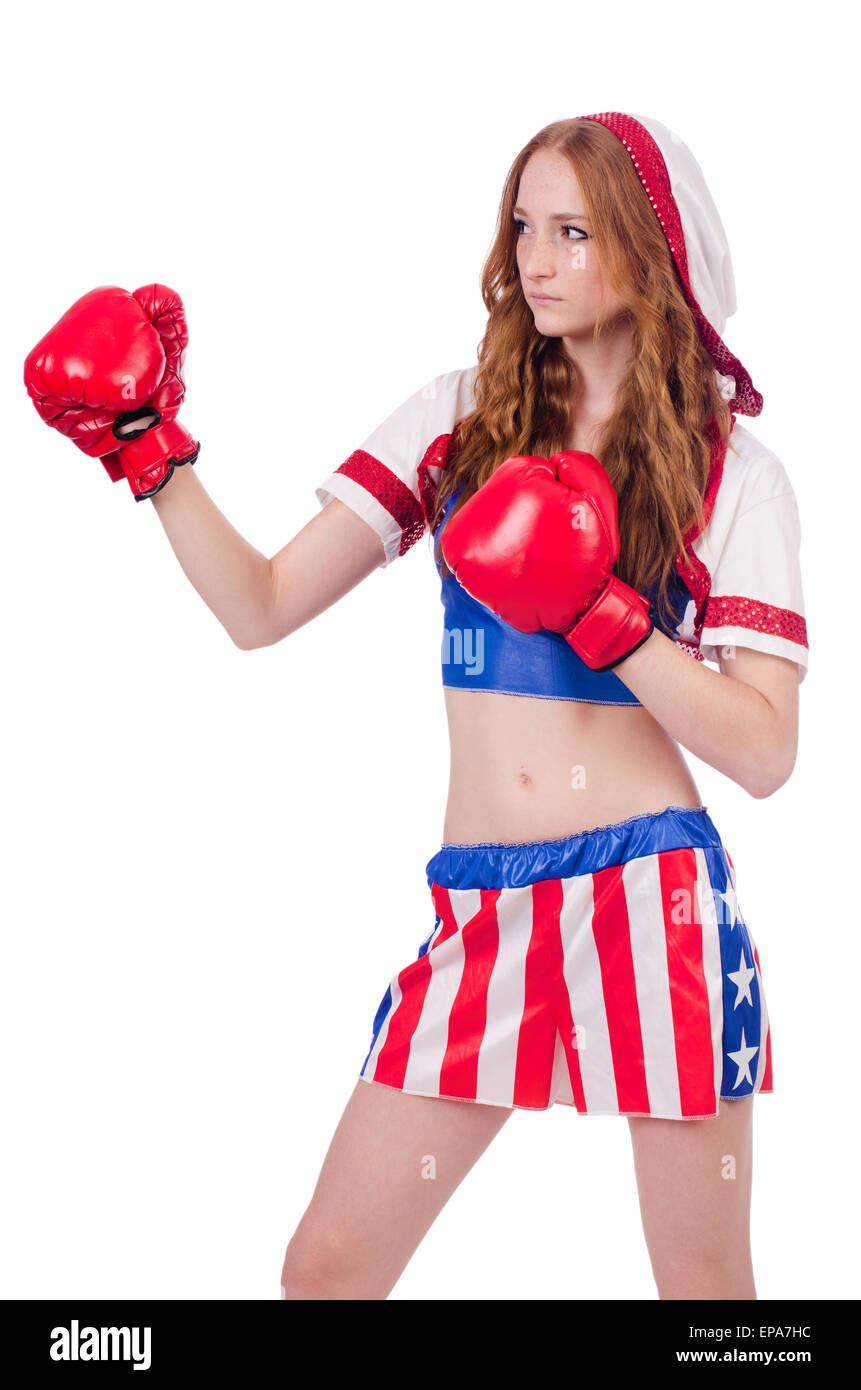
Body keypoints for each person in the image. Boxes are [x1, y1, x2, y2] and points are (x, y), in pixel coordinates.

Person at [23, 111, 807, 1302]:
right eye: (525, 229)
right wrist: (152, 453)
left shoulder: (733, 468)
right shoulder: (460, 422)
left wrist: (603, 609)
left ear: (649, 252)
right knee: (327, 1269)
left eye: (574, 233)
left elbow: (765, 751)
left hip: (653, 905)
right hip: (483, 904)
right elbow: (264, 606)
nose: (537, 263)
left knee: (708, 1302)